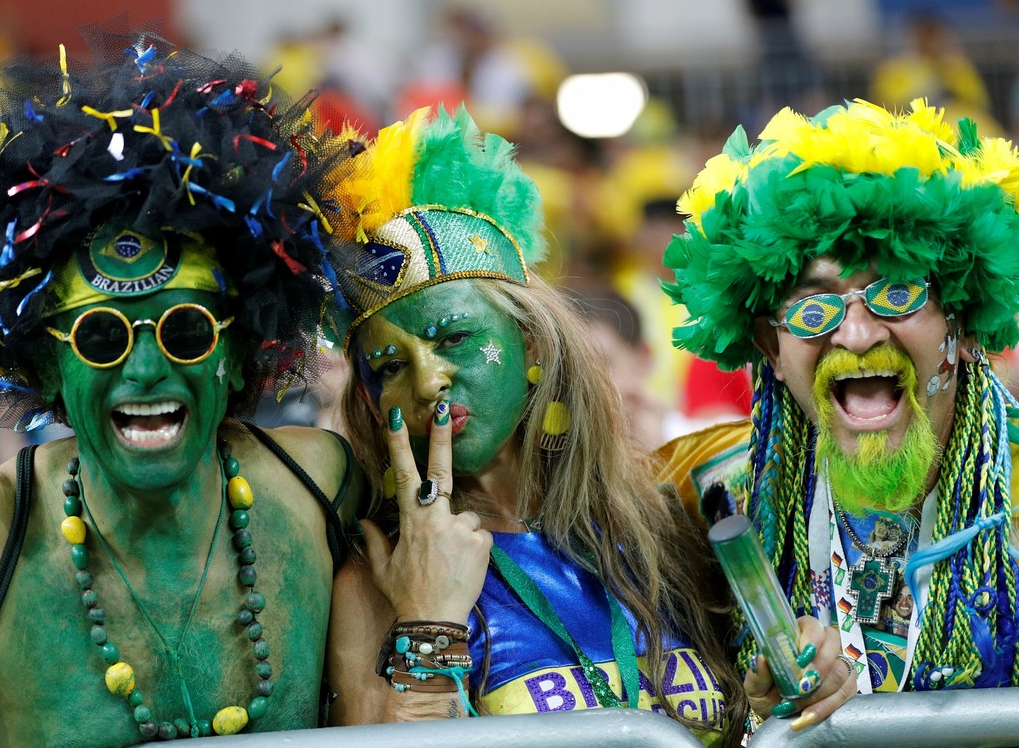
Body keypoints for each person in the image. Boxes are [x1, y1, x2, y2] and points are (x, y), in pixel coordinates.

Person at [0, 26, 363, 746]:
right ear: (45, 363)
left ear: (236, 351)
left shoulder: (319, 487)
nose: (147, 369)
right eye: (102, 337)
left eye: (186, 331)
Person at [321, 106, 854, 745]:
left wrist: (784, 692)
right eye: (389, 366)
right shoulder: (376, 575)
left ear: (531, 344)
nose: (429, 380)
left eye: (456, 338)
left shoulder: (660, 523)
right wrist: (429, 623)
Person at [660, 97, 1019, 696]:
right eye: (813, 304)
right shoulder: (706, 496)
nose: (855, 334)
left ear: (966, 329)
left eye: (896, 292)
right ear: (772, 348)